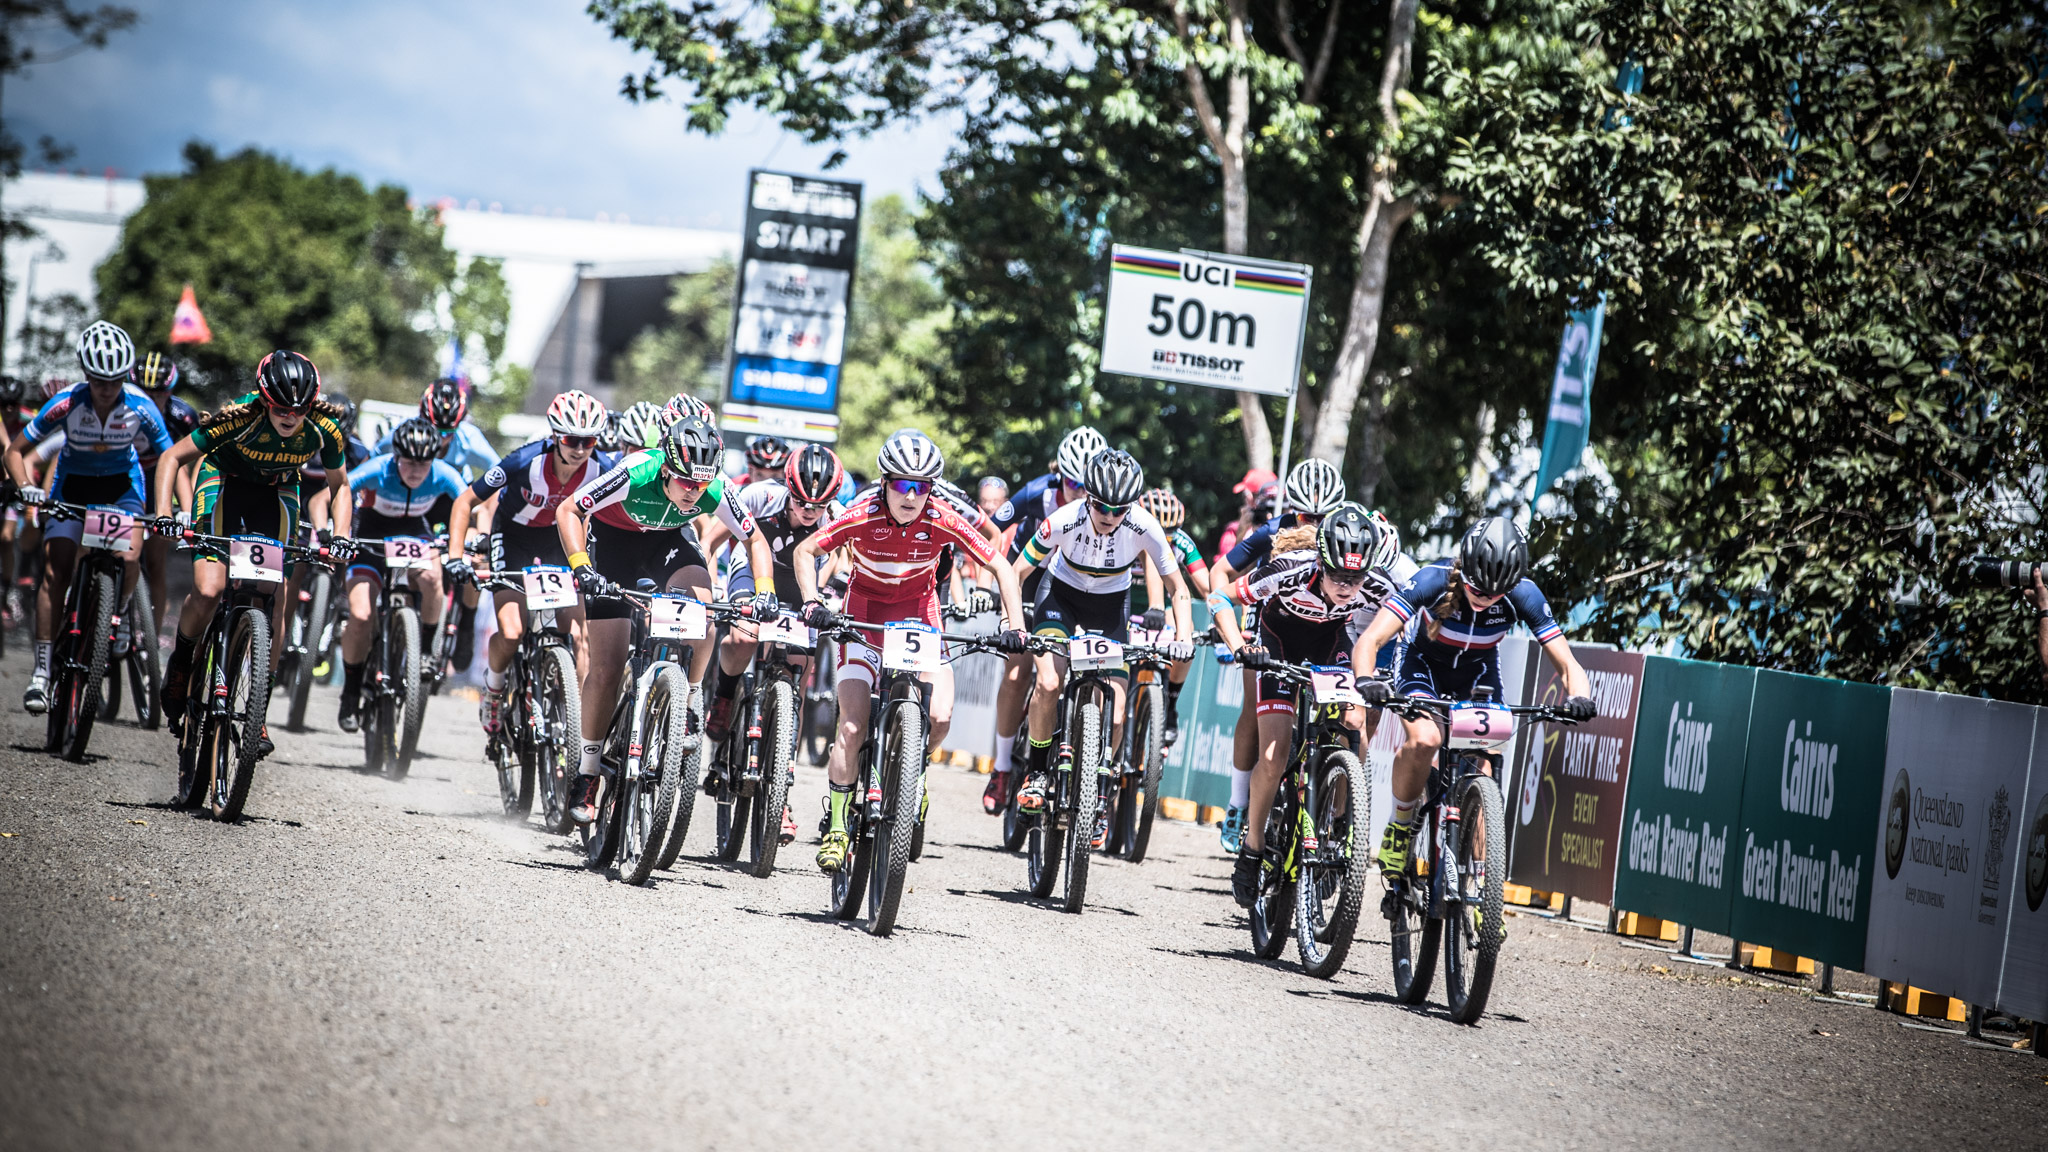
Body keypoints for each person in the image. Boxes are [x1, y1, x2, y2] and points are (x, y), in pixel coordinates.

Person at [792, 430, 1029, 873]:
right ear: (885, 482)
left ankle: (912, 773)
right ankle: (839, 826)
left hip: (919, 614)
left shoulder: (941, 516)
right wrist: (811, 600)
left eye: (922, 487)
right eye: (902, 484)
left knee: (938, 717)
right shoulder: (863, 512)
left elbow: (999, 564)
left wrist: (1012, 624)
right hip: (862, 613)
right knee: (851, 725)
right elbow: (807, 550)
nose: (911, 495)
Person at [555, 415, 775, 825]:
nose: (695, 492)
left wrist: (765, 589)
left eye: (702, 484)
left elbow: (754, 538)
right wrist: (581, 566)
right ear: (667, 470)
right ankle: (586, 772)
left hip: (668, 544)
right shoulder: (636, 471)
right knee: (605, 666)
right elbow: (569, 509)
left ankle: (689, 697)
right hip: (614, 547)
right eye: (686, 482)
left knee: (704, 616)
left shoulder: (715, 488)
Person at [1350, 516, 1596, 878]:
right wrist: (1366, 678)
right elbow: (1370, 640)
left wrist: (1580, 696)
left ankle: (1483, 887)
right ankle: (1401, 825)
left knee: (1485, 761)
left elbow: (1567, 663)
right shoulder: (1432, 580)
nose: (1484, 599)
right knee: (1425, 738)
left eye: (1496, 594)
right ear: (1464, 571)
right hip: (1422, 666)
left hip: (1478, 674)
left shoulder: (1524, 594)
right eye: (1478, 589)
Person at [152, 351, 353, 745]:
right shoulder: (241, 416)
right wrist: (164, 512)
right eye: (280, 407)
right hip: (224, 481)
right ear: (263, 398)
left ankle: (257, 706)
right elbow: (172, 457)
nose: (290, 416)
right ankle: (181, 661)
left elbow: (340, 485)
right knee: (210, 589)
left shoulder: (324, 428)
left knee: (274, 595)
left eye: (300, 409)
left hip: (276, 491)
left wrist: (342, 533)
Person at [1212, 504, 1404, 905]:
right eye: (1337, 575)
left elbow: (1408, 624)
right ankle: (1252, 847)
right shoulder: (1291, 569)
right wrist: (1241, 646)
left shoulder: (1378, 585)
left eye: (1356, 577)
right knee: (1275, 754)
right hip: (1278, 645)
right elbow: (1219, 597)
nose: (1348, 586)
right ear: (1321, 561)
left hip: (1330, 645)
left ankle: (1338, 816)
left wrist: (1384, 679)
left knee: (1355, 720)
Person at [1011, 449, 1195, 832]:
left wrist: (1184, 635)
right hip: (1060, 597)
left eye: (1119, 510)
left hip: (1111, 607)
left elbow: (1179, 588)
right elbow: (1017, 572)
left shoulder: (1144, 526)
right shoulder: (1063, 519)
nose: (1110, 517)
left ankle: (1098, 789)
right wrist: (1012, 623)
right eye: (1102, 508)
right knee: (1048, 681)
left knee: (1116, 710)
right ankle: (1037, 772)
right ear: (1088, 498)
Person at [5, 322, 171, 712]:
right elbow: (15, 451)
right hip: (73, 484)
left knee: (130, 557)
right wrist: (25, 486)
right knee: (55, 569)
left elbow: (168, 456)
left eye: (114, 380)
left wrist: (166, 507)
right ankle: (42, 673)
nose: (107, 389)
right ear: (86, 375)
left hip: (121, 488)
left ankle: (123, 615)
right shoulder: (65, 402)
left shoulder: (141, 406)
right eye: (99, 381)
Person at [699, 441, 847, 845]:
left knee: (798, 677)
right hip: (754, 574)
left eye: (819, 504)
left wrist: (828, 590)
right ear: (786, 487)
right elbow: (712, 542)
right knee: (743, 637)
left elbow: (841, 558)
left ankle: (780, 789)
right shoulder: (757, 496)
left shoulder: (834, 517)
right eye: (801, 501)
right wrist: (711, 587)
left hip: (802, 587)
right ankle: (726, 695)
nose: (809, 510)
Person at [446, 390, 613, 735]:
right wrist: (455, 555)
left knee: (578, 634)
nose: (579, 450)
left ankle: (580, 726)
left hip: (561, 543)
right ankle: (493, 690)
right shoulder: (524, 461)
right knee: (511, 631)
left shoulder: (604, 468)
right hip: (514, 537)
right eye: (571, 440)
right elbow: (465, 502)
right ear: (554, 435)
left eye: (589, 441)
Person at [1208, 457, 1351, 852]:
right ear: (1293, 509)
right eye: (1306, 514)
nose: (1314, 524)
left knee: (1346, 717)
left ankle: (1334, 806)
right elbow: (1219, 576)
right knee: (1255, 711)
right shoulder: (1272, 531)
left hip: (1322, 619)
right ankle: (1239, 803)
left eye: (1324, 516)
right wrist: (1237, 632)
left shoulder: (1344, 539)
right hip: (1266, 613)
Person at [984, 425, 1104, 814]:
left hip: (1073, 590)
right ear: (1059, 477)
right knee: (1018, 673)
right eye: (1072, 483)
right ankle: (1002, 767)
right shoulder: (1037, 492)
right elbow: (990, 529)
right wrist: (988, 580)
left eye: (1087, 486)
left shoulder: (1102, 508)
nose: (1080, 493)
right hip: (1028, 578)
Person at [329, 419, 468, 731]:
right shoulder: (379, 468)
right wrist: (340, 530)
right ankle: (350, 693)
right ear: (396, 457)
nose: (417, 471)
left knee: (434, 579)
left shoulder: (443, 474)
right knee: (362, 615)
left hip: (413, 532)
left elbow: (467, 502)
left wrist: (467, 541)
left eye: (424, 463)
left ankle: (427, 652)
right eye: (409, 463)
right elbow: (342, 487)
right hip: (371, 532)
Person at [376, 377, 501, 670]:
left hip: (454, 501)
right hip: (415, 502)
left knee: (476, 555)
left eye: (449, 431)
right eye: (435, 429)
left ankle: (467, 622)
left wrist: (484, 531)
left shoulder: (470, 438)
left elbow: (499, 477)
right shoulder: (404, 431)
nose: (442, 437)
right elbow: (374, 460)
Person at [128, 352, 202, 651]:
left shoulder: (183, 416)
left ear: (170, 393)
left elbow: (188, 464)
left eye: (159, 395)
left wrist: (187, 509)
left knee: (156, 564)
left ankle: (150, 640)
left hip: (162, 487)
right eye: (146, 394)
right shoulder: (121, 408)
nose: (152, 401)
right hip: (126, 483)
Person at [1132, 488, 1211, 745]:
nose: (1164, 540)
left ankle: (1170, 702)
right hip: (1125, 602)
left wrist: (1222, 621)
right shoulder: (1128, 533)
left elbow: (1207, 587)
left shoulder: (1183, 543)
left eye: (1170, 533)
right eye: (1159, 531)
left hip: (1160, 609)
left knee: (1185, 626)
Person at [1212, 467, 1278, 563]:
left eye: (1246, 494)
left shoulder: (1285, 527)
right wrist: (1241, 532)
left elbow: (1222, 573)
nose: (1244, 499)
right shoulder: (1234, 530)